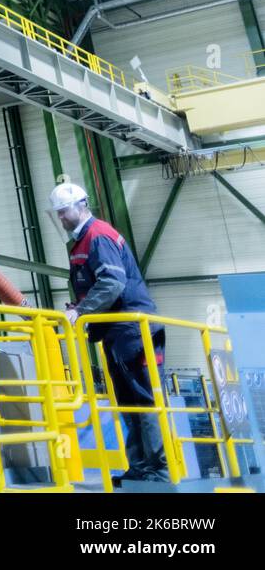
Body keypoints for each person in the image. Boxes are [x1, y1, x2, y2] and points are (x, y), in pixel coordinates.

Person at [49, 181, 169, 484]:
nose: (61, 219)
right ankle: (140, 467)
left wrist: (81, 311)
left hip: (134, 330)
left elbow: (112, 284)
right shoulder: (82, 241)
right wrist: (79, 305)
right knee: (126, 402)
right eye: (58, 214)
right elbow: (97, 285)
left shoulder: (97, 236)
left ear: (81, 206)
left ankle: (157, 470)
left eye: (64, 212)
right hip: (117, 332)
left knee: (144, 400)